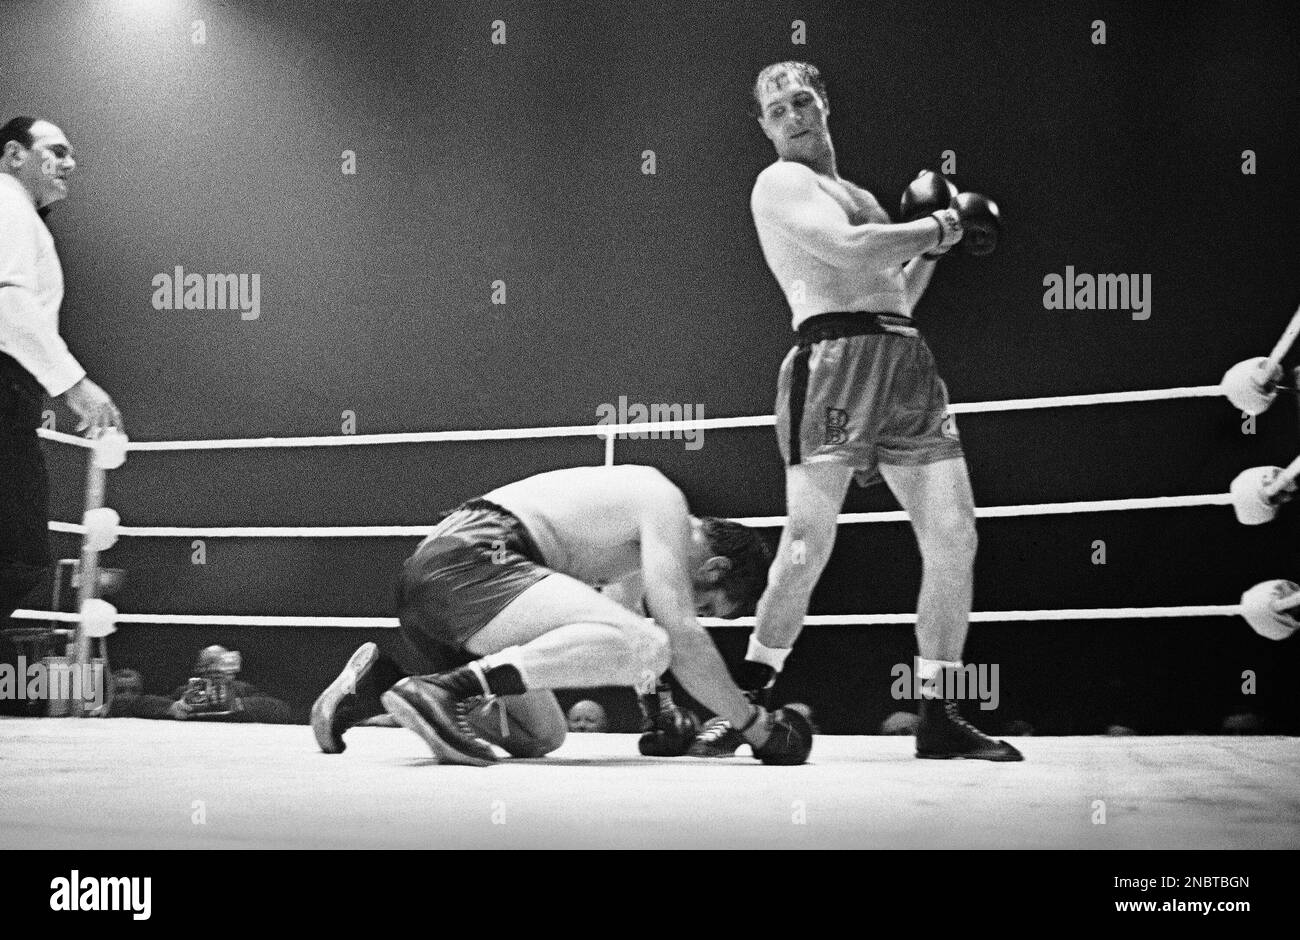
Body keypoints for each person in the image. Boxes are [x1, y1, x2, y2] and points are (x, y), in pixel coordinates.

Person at [689, 62, 1020, 761]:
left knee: (956, 537)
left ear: (825, 104)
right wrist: (940, 221)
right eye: (777, 110)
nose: (793, 115)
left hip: (905, 361)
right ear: (764, 125)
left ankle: (937, 713)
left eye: (802, 100)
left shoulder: (861, 194)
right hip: (832, 358)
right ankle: (748, 699)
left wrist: (940, 241)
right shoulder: (782, 183)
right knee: (808, 544)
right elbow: (846, 249)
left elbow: (894, 290)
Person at [311, 464, 813, 766]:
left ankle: (380, 687)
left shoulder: (638, 551)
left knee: (541, 736)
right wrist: (756, 726)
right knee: (654, 642)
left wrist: (658, 712)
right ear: (715, 568)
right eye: (707, 603)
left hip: (446, 592)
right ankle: (447, 689)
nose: (693, 607)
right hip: (476, 556)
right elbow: (678, 635)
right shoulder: (664, 502)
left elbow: (617, 621)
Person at [1, 116, 124, 629]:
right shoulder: (6, 202)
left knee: (18, 550)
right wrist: (74, 385)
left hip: (13, 390)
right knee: (19, 552)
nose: (70, 163)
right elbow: (5, 301)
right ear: (14, 155)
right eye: (57, 149)